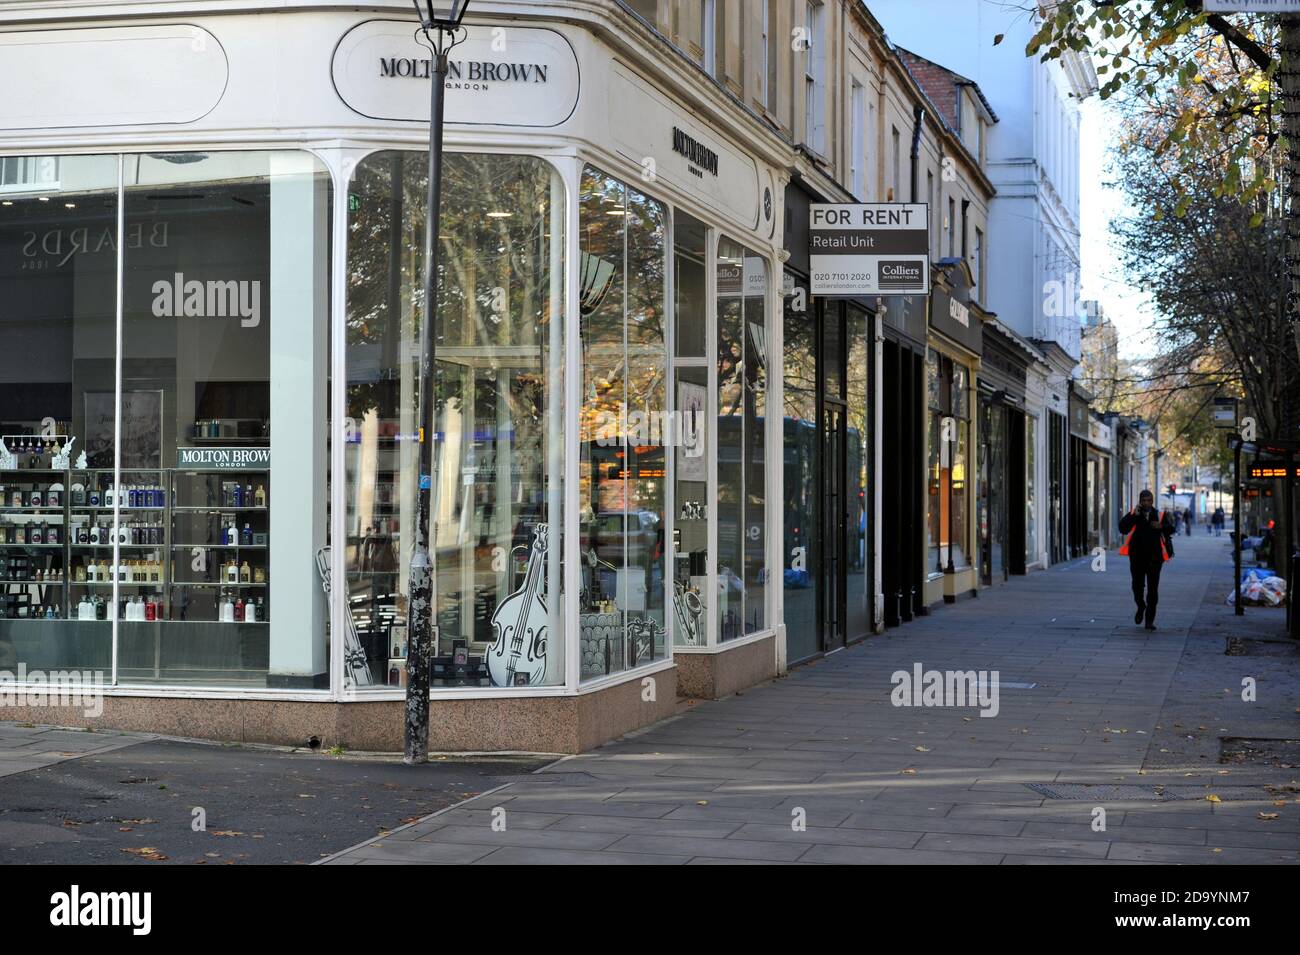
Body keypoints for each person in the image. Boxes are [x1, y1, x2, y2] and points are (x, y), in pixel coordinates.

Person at [1118, 489, 1174, 631]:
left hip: (1155, 559)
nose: (1146, 503)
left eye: (1149, 500)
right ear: (1140, 501)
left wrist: (1161, 526)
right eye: (1143, 500)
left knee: (1153, 590)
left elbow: (1171, 529)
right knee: (1137, 586)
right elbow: (1122, 528)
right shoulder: (1134, 514)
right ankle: (1141, 605)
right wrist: (1133, 517)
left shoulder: (1160, 515)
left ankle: (1149, 620)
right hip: (1137, 558)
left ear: (1152, 501)